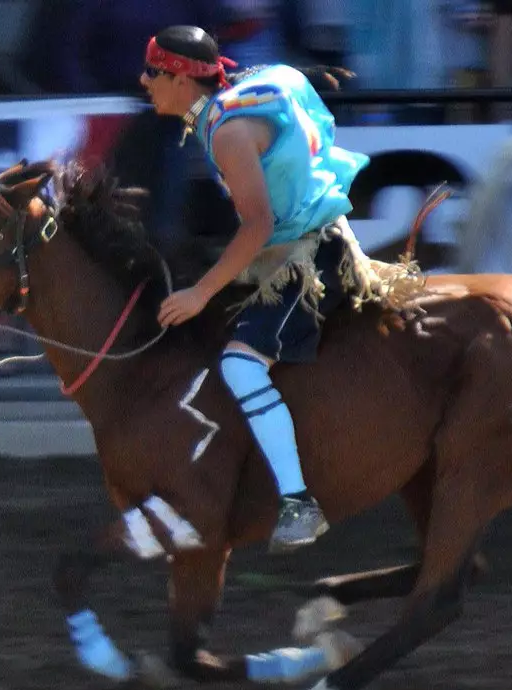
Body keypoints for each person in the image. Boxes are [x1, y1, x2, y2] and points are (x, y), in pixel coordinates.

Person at [145, 25, 421, 553]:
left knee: (239, 365)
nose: (144, 81)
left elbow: (256, 226)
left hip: (308, 256)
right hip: (307, 239)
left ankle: (298, 502)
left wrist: (200, 292)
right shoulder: (253, 86)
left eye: (153, 73)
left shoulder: (226, 132)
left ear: (182, 79)